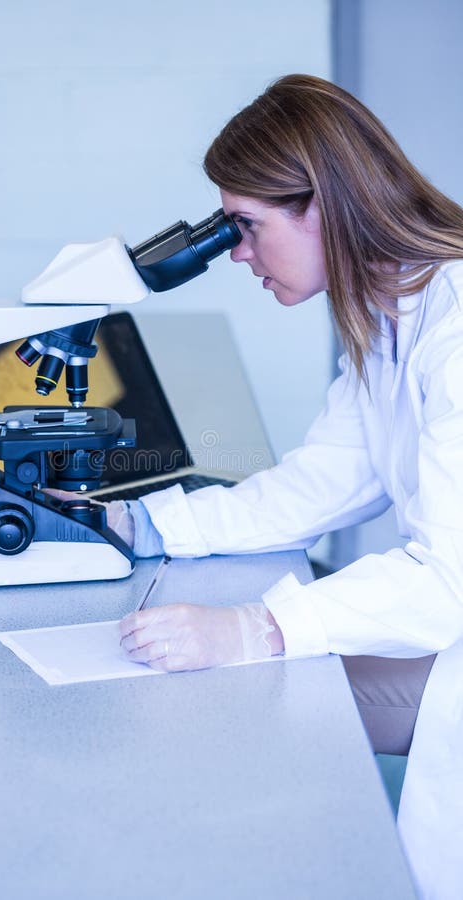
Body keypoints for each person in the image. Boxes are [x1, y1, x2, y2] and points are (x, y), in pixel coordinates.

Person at [105, 75, 463, 899]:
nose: (235, 253)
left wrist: (253, 629)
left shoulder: (454, 329)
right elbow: (324, 481)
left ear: (324, 207)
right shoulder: (389, 310)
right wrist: (149, 527)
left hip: (452, 623)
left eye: (246, 226)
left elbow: (448, 579)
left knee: (258, 689)